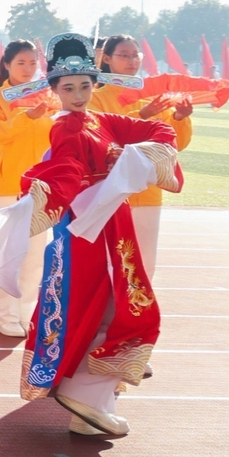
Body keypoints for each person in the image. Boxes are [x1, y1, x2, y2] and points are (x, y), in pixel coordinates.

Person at [9, 35, 184, 437]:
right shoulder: (66, 127)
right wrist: (49, 190)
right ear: (53, 91)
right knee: (108, 308)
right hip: (88, 231)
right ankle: (85, 395)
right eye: (68, 88)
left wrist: (135, 157)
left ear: (94, 85)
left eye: (85, 86)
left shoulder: (100, 120)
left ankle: (90, 405)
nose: (77, 95)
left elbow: (158, 129)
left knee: (110, 307)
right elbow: (66, 170)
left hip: (112, 227)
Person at [90, 34, 192, 287]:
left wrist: (179, 117)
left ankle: (136, 320)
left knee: (145, 262)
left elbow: (176, 143)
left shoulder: (152, 95)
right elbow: (105, 138)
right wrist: (143, 114)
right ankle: (107, 320)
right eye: (123, 55)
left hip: (147, 190)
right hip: (110, 190)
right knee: (110, 261)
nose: (131, 61)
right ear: (107, 59)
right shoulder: (96, 97)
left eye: (135, 55)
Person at [0, 41, 55, 337]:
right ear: (7, 65)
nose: (28, 68)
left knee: (36, 256)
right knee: (8, 254)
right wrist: (27, 117)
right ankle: (6, 316)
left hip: (42, 187)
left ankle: (27, 314)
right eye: (21, 62)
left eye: (32, 63)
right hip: (8, 185)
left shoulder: (50, 97)